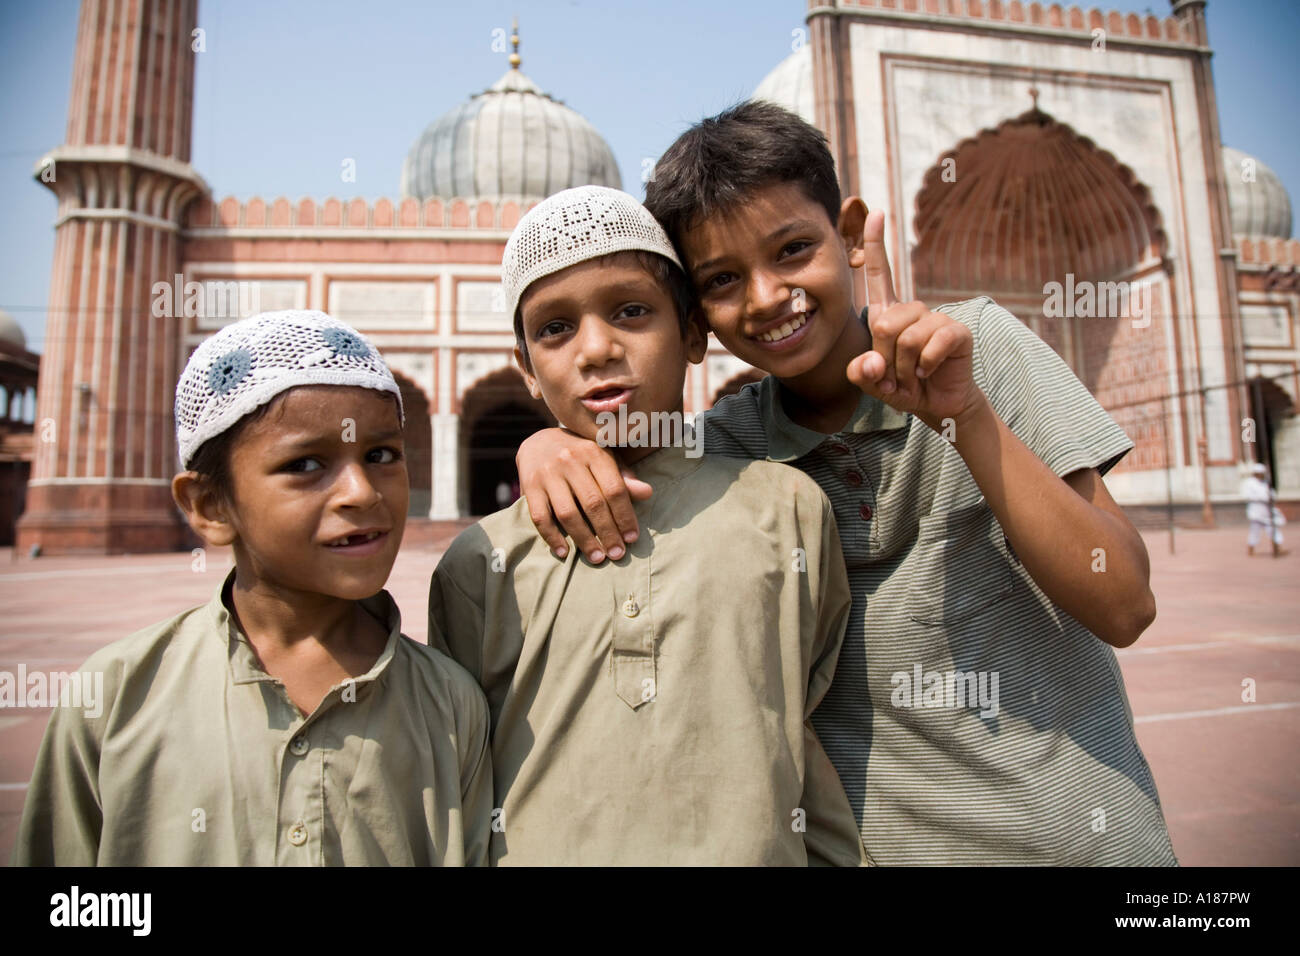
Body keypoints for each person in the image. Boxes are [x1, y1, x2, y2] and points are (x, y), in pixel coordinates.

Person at [514, 103, 1177, 865]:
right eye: (724, 279)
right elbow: (614, 442)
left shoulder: (979, 351)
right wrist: (545, 445)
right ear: (698, 321)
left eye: (792, 250)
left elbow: (1125, 602)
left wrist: (964, 417)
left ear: (852, 235)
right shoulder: (728, 452)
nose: (765, 298)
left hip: (1085, 845)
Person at [428, 185, 867, 866]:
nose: (597, 348)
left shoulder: (786, 508)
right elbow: (460, 782)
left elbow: (795, 722)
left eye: (632, 311)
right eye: (555, 328)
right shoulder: (481, 562)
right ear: (528, 372)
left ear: (694, 334)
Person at [14, 310, 492, 866]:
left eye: (381, 455)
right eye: (306, 463)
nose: (361, 492)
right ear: (210, 506)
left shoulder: (450, 703)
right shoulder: (118, 695)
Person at [1242, 462, 1287, 556]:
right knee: (1255, 532)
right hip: (1256, 511)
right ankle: (1251, 550)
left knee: (1272, 530)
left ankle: (1278, 548)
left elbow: (1272, 493)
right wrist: (1263, 498)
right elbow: (1247, 495)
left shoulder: (1265, 482)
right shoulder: (1249, 483)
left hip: (1267, 511)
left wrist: (1271, 497)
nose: (1261, 475)